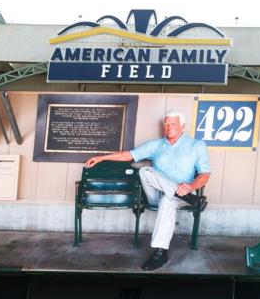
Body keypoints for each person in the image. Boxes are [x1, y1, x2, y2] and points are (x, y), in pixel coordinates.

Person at [85, 110, 211, 271]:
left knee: (168, 200)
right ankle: (191, 199)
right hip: (156, 194)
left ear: (182, 126)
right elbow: (129, 155)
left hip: (181, 193)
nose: (168, 127)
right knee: (145, 171)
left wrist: (191, 187)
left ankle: (160, 252)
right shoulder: (155, 145)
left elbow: (205, 174)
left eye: (173, 124)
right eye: (166, 124)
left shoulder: (196, 146)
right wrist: (101, 157)